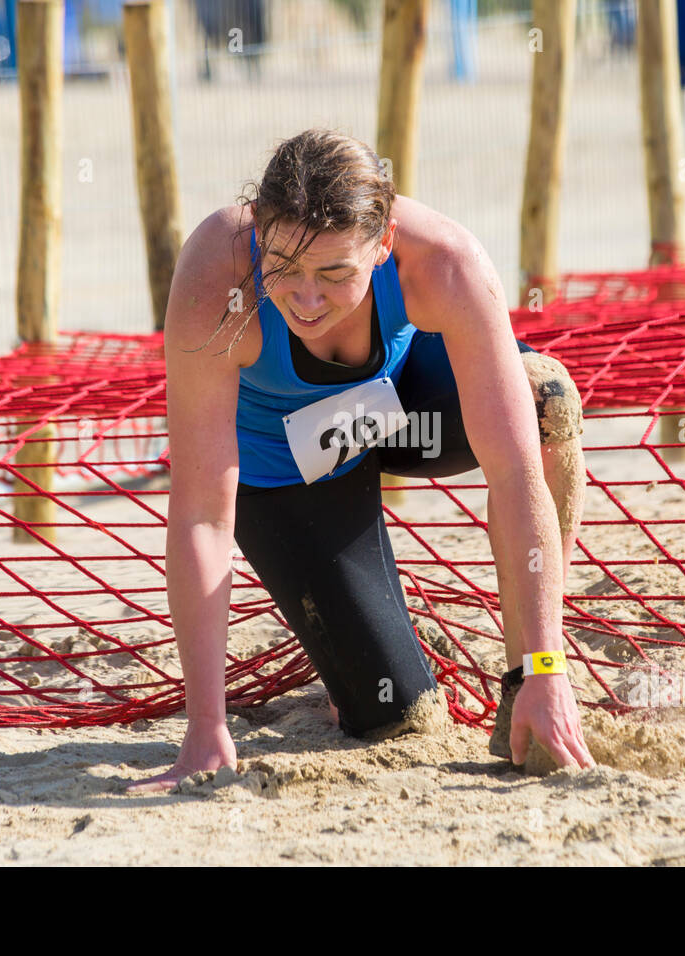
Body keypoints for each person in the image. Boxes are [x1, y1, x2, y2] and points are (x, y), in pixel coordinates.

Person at [128, 129, 595, 793]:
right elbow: (203, 513)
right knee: (397, 715)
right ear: (258, 231)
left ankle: (524, 683)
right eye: (283, 266)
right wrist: (206, 727)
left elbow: (518, 472)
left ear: (383, 245)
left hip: (399, 410)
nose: (306, 299)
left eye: (336, 274)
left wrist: (547, 668)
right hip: (290, 459)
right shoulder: (217, 277)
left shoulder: (446, 263)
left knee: (545, 394)